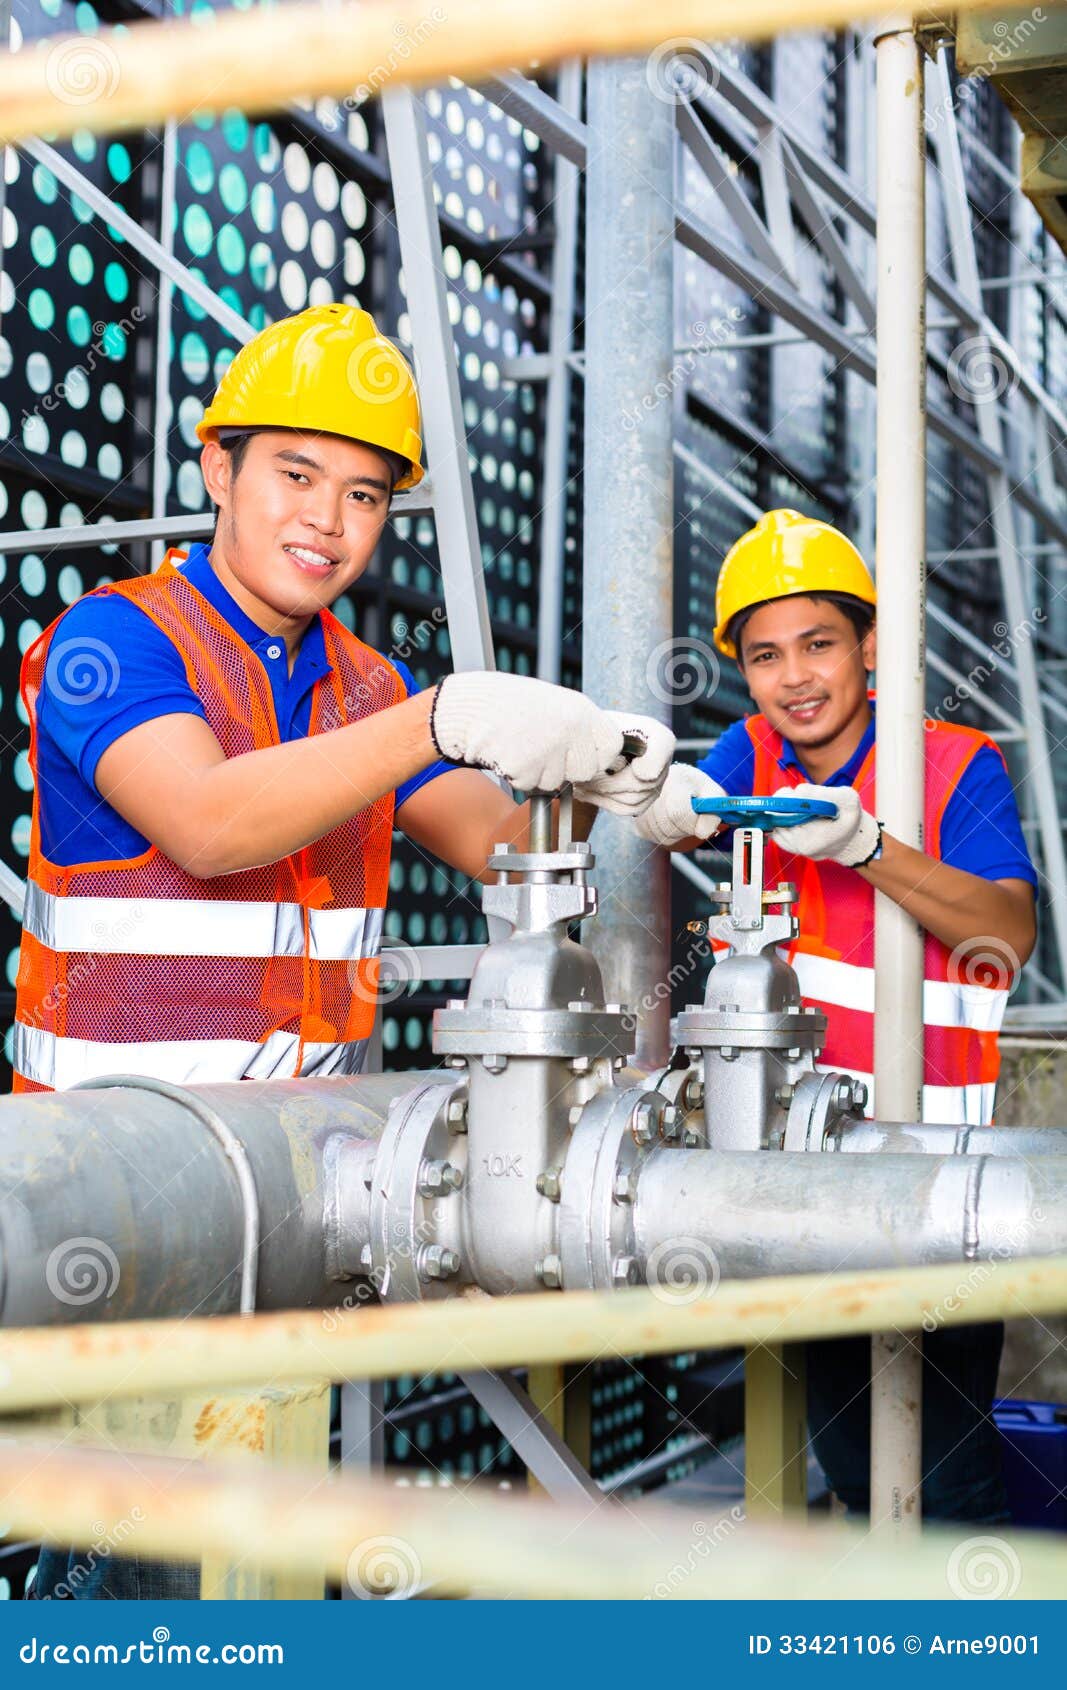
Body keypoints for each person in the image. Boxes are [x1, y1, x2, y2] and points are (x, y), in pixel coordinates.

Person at [16, 302, 674, 1595]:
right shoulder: (117, 639)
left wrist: (605, 782)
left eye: (364, 494)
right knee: (134, 1582)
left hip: (285, 1199)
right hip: (110, 1193)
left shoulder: (361, 683)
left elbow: (496, 841)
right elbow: (208, 823)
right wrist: (437, 718)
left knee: (239, 1573)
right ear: (217, 469)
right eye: (295, 473)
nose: (327, 519)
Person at [632, 507, 1038, 1522]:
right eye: (764, 656)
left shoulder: (952, 764)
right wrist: (650, 802)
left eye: (817, 644)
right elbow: (686, 810)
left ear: (870, 645)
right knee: (853, 1465)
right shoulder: (752, 751)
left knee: (944, 1480)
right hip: (798, 1174)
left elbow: (1006, 933)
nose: (794, 678)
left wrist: (868, 848)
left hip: (931, 1175)